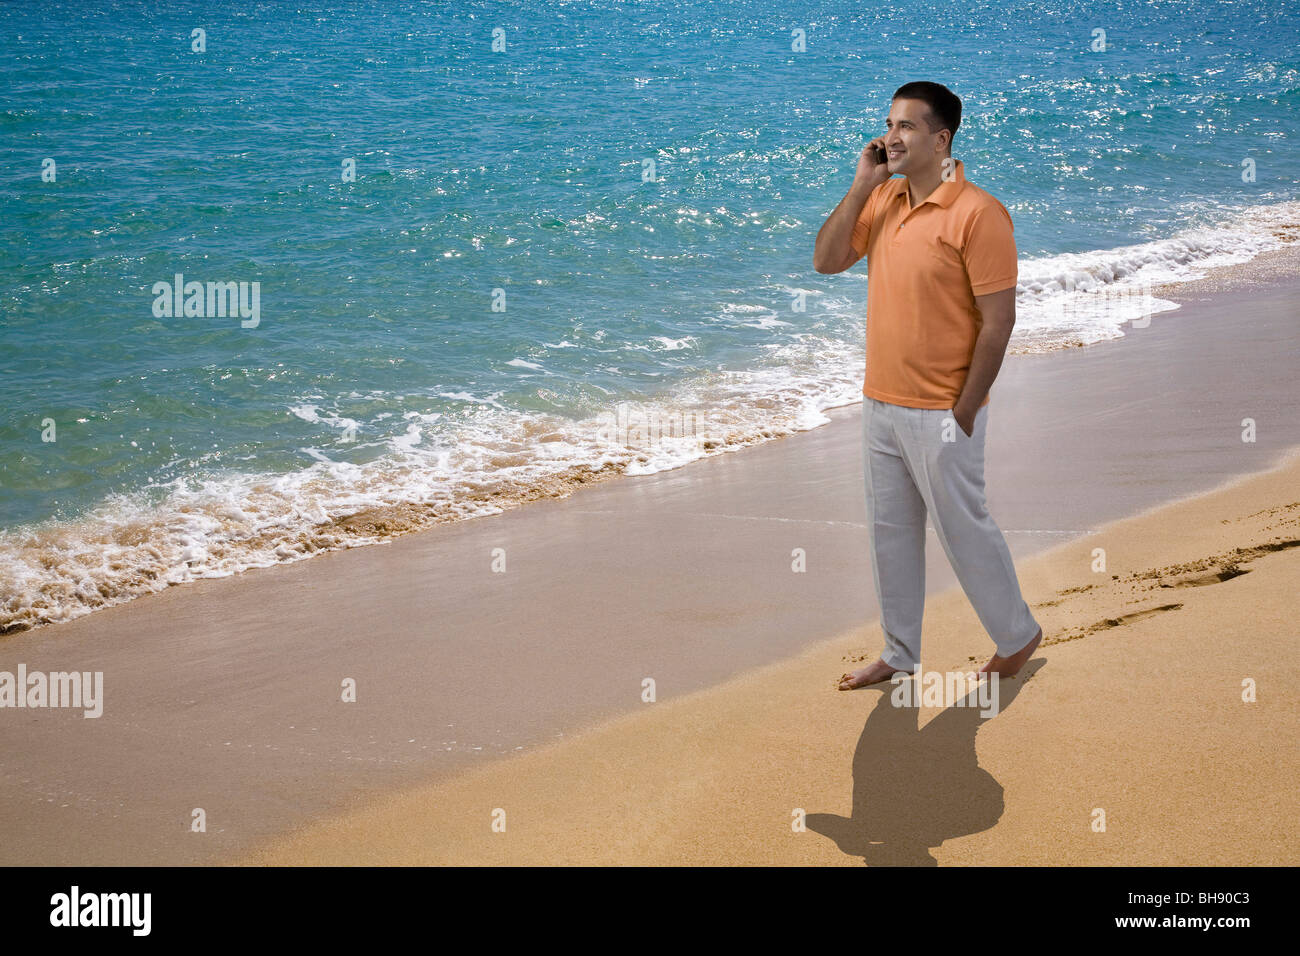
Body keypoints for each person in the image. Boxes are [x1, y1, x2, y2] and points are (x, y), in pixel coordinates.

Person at [812, 81, 1042, 690]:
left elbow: (999, 322)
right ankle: (899, 653)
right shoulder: (883, 199)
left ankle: (1017, 636)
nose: (892, 136)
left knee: (964, 530)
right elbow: (826, 259)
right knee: (890, 534)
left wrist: (964, 410)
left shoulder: (979, 213)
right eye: (889, 123)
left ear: (941, 140)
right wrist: (862, 183)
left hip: (943, 408)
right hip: (879, 401)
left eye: (907, 127)